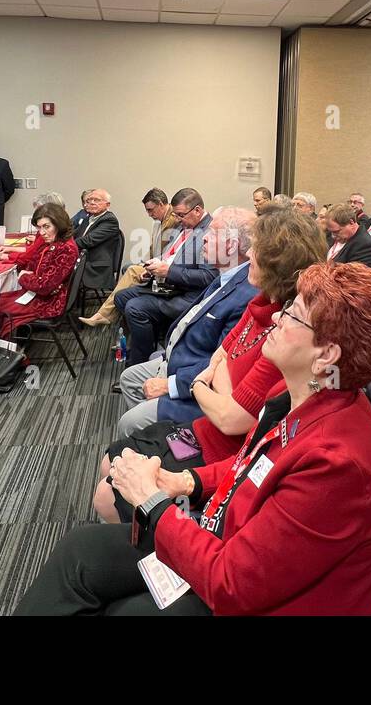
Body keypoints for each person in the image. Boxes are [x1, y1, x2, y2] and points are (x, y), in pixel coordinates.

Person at [14, 262, 371, 616]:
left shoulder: (336, 464)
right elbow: (251, 465)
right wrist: (186, 481)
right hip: (225, 538)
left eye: (293, 315)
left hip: (250, 591)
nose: (277, 318)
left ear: (326, 356)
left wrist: (151, 503)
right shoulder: (298, 395)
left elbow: (233, 585)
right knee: (82, 552)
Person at [92, 208, 325, 522]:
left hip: (223, 446)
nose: (249, 253)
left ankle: (134, 544)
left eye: (256, 248)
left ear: (276, 262)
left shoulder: (281, 330)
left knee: (109, 490)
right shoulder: (260, 304)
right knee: (112, 462)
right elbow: (221, 358)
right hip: (207, 425)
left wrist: (202, 383)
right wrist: (218, 378)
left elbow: (232, 417)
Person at [113, 207, 258, 438]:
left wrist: (170, 385)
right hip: (179, 358)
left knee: (129, 423)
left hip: (195, 382)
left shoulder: (246, 294)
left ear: (230, 246)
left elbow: (222, 366)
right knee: (129, 378)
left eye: (211, 234)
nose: (204, 239)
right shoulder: (227, 275)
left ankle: (156, 447)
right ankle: (154, 442)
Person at [113, 188, 217, 365]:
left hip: (189, 296)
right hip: (170, 286)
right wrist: (153, 268)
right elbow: (169, 255)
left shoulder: (210, 232)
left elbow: (209, 277)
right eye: (176, 215)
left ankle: (140, 362)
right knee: (121, 297)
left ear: (197, 210)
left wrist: (168, 272)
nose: (177, 220)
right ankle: (149, 346)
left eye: (181, 215)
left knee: (134, 308)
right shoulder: (187, 226)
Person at [80, 189, 178, 327]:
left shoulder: (173, 221)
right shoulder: (160, 221)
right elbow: (154, 248)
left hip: (165, 267)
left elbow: (169, 251)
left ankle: (105, 314)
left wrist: (149, 265)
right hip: (157, 262)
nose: (149, 214)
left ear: (161, 204)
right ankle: (114, 318)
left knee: (131, 270)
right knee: (129, 268)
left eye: (151, 210)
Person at [0, 203, 78, 338]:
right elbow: (33, 264)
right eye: (39, 227)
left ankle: (7, 351)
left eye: (46, 226)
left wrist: (23, 277)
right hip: (40, 294)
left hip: (49, 302)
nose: (42, 232)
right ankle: (9, 346)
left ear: (59, 224)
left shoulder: (66, 248)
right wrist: (33, 276)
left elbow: (44, 286)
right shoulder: (53, 241)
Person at [71, 188, 120, 291]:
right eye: (89, 200)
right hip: (83, 259)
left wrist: (66, 246)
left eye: (97, 200)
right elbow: (74, 235)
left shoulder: (109, 220)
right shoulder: (89, 217)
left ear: (107, 204)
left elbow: (88, 241)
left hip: (95, 266)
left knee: (59, 267)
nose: (92, 202)